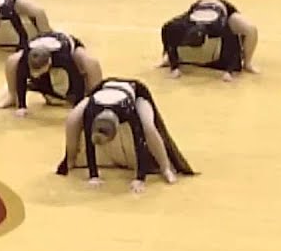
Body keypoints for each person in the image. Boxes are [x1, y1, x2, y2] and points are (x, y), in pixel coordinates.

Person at [57, 78, 195, 194]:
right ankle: (70, 159)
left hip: (135, 91)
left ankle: (165, 168)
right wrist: (94, 176)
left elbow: (140, 142)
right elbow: (89, 141)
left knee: (148, 126)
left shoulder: (128, 111)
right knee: (72, 119)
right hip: (104, 88)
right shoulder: (91, 111)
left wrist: (140, 179)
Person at [0, 32, 102, 117]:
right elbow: (20, 75)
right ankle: (12, 96)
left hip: (68, 43)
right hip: (43, 41)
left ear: (49, 63)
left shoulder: (63, 57)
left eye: (39, 72)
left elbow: (76, 78)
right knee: (12, 60)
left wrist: (76, 106)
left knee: (91, 63)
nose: (35, 75)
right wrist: (22, 106)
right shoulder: (26, 55)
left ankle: (94, 100)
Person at [160, 0, 259, 80]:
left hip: (224, 8)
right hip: (198, 8)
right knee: (171, 32)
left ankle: (248, 63)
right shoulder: (182, 25)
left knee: (251, 29)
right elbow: (166, 30)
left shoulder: (217, 28)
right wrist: (173, 67)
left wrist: (229, 72)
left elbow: (234, 47)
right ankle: (167, 57)